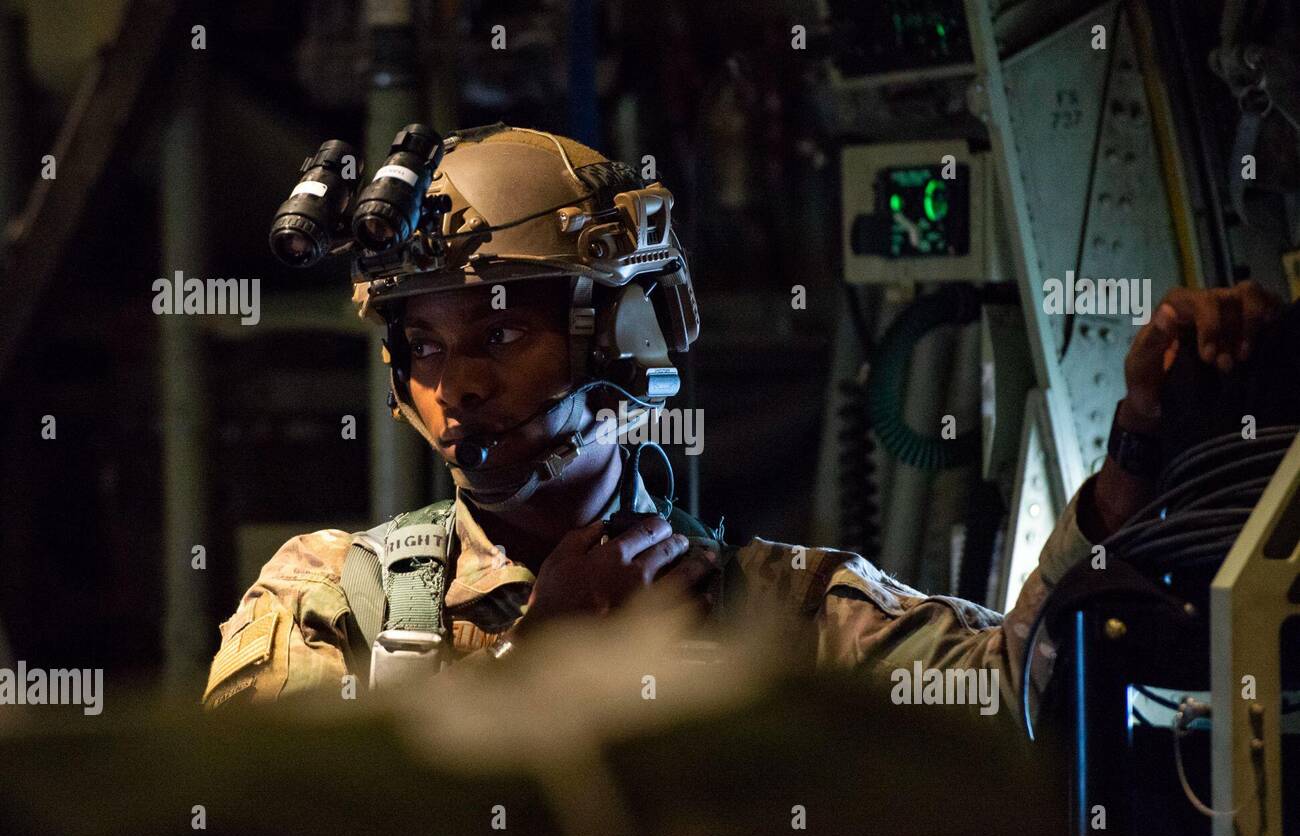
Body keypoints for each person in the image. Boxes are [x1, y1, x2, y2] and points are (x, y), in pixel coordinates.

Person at [201, 124, 1286, 728]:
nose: (456, 385)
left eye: (495, 337)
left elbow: (1019, 691)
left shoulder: (789, 615)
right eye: (423, 346)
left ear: (620, 334)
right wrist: (541, 663)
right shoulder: (327, 599)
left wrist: (1138, 449)